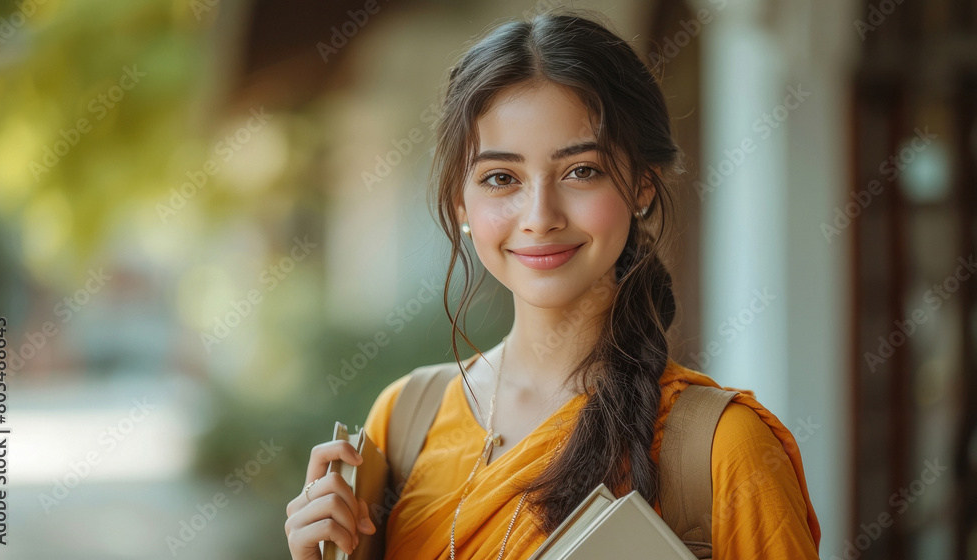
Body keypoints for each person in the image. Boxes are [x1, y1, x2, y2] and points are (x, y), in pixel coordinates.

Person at [285, 7, 822, 560]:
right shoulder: (403, 421)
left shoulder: (722, 451)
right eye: (501, 178)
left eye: (580, 170)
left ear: (642, 185)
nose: (540, 215)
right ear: (460, 203)